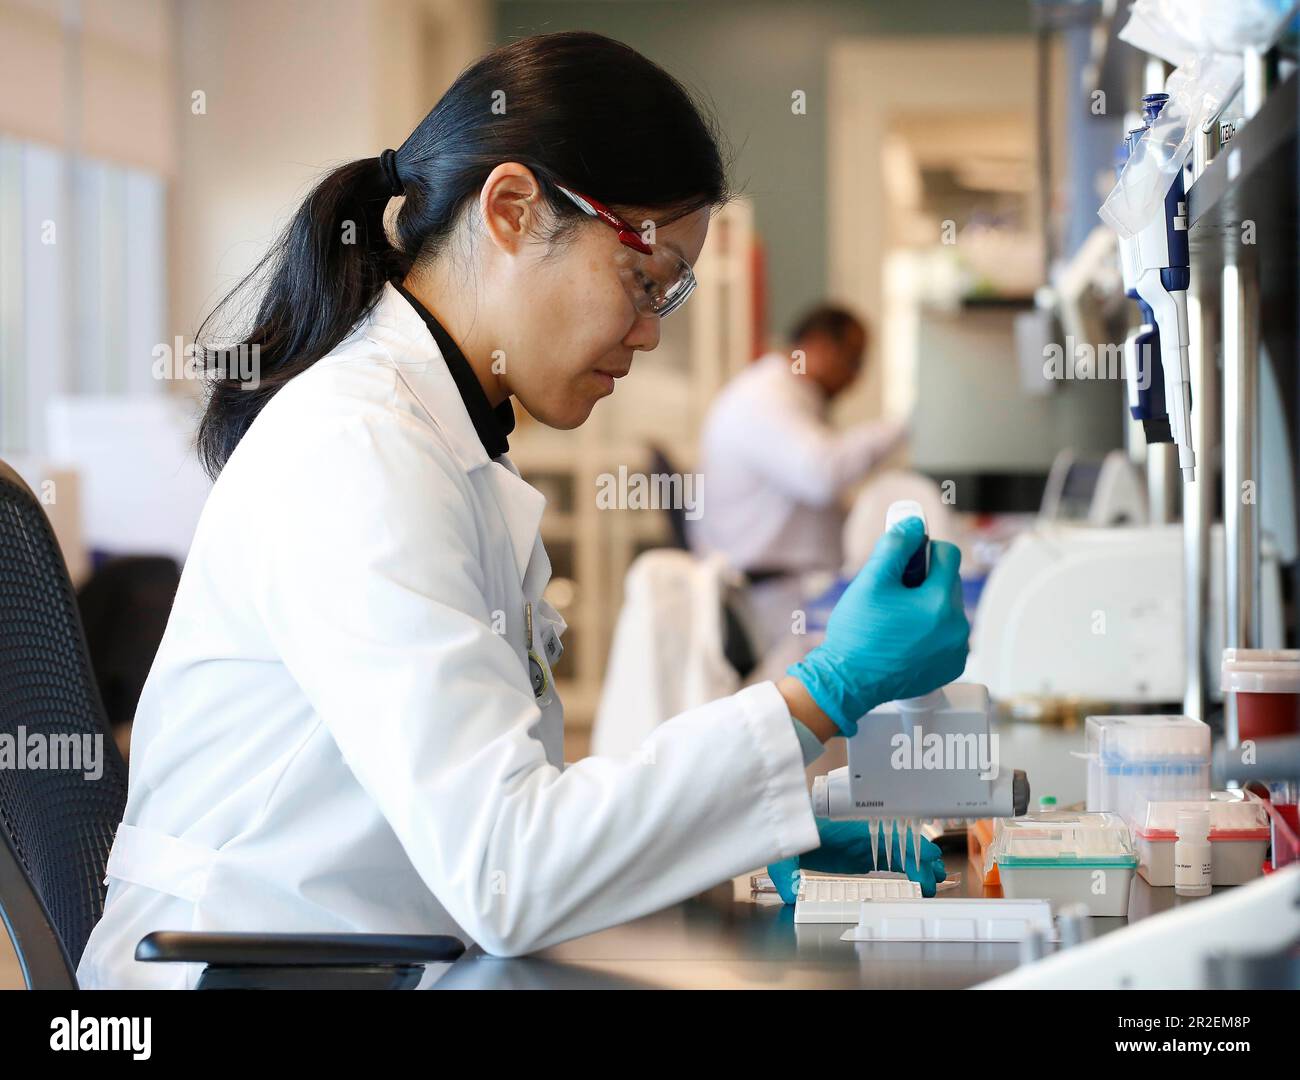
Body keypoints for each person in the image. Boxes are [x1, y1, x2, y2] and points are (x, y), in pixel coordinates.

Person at [77, 32, 966, 990]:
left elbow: (507, 831)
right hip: (239, 975)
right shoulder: (359, 449)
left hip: (378, 953)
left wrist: (744, 830)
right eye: (643, 277)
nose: (651, 332)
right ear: (510, 209)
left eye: (670, 292)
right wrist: (818, 697)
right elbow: (511, 872)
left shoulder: (444, 438)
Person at [692, 305, 907, 581]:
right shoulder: (762, 397)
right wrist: (906, 425)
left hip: (786, 580)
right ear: (818, 346)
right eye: (853, 361)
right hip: (768, 592)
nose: (856, 378)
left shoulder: (787, 393)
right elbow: (822, 475)